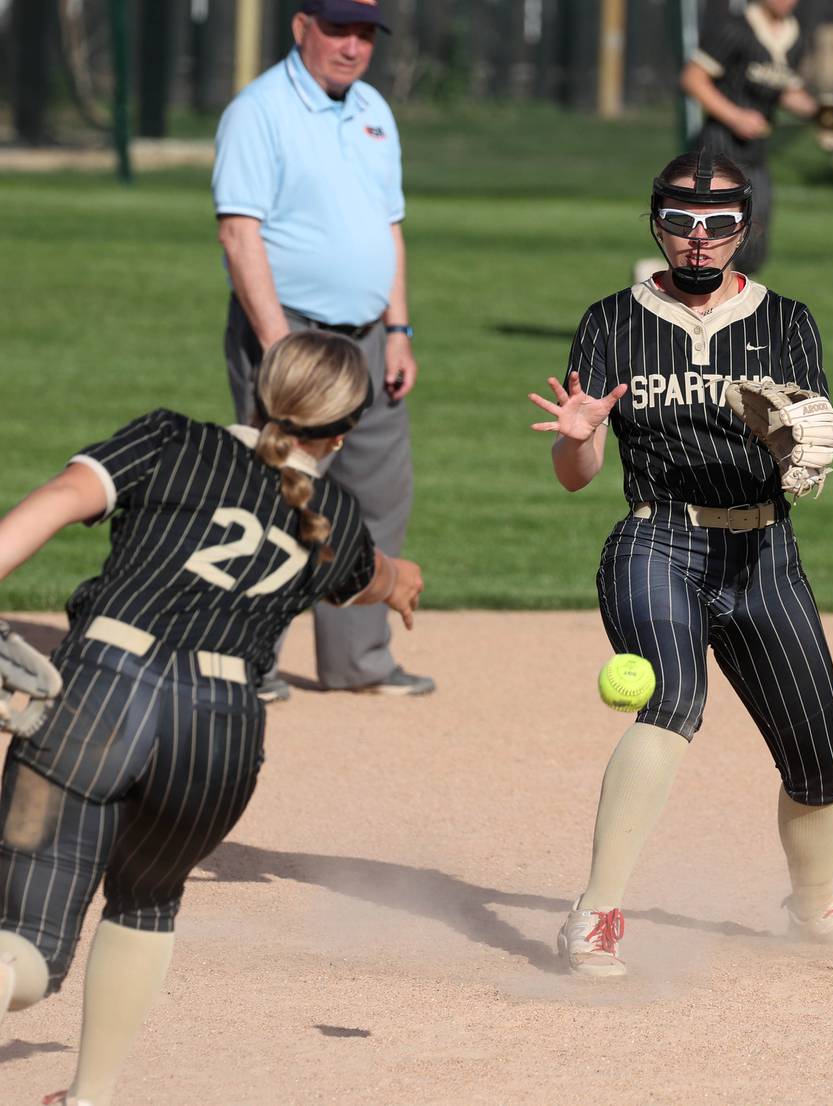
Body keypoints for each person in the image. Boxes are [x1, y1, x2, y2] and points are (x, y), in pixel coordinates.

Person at [0, 332, 423, 1105]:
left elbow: (61, 502)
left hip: (97, 698)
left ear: (264, 388)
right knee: (149, 899)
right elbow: (370, 576)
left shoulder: (171, 440)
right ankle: (90, 1097)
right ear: (344, 431)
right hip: (221, 738)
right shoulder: (334, 513)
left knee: (21, 951)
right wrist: (401, 581)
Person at [529, 149, 833, 977]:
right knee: (672, 699)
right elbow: (577, 478)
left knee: (820, 755)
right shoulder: (612, 321)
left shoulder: (788, 322)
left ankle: (813, 909)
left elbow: (807, 446)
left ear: (746, 228)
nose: (698, 240)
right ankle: (594, 914)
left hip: (763, 550)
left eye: (718, 225)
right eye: (679, 222)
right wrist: (578, 436)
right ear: (655, 222)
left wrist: (797, 447)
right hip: (656, 539)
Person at [213, 0, 433, 702]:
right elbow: (239, 235)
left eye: (365, 33)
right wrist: (280, 348)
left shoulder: (372, 109)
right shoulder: (260, 110)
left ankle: (359, 660)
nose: (352, 46)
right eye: (338, 29)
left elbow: (387, 226)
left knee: (378, 491)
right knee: (277, 490)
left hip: (370, 336)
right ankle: (248, 660)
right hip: (293, 332)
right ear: (300, 24)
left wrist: (399, 330)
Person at [681, 0, 819, 275]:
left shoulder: (794, 37)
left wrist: (822, 113)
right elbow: (693, 78)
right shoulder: (736, 28)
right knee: (717, 235)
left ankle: (719, 304)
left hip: (755, 151)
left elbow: (784, 90)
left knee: (754, 239)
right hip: (719, 146)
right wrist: (735, 116)